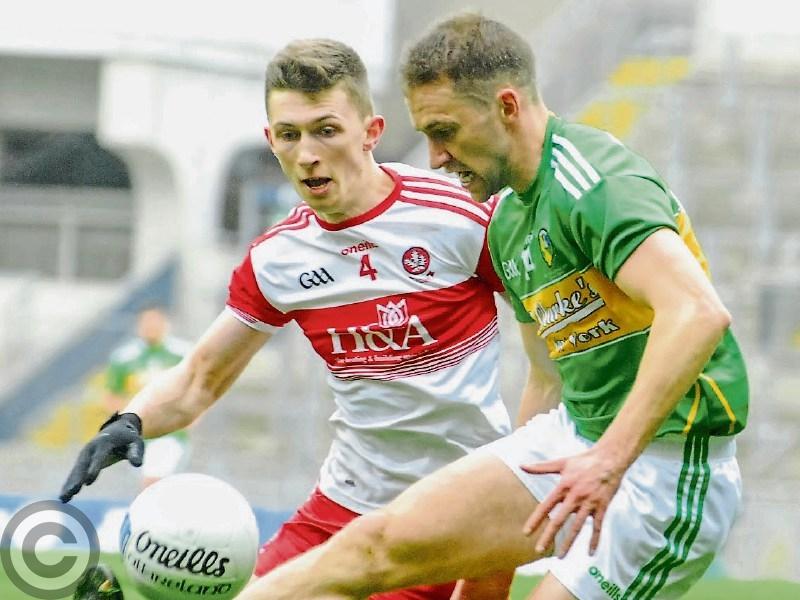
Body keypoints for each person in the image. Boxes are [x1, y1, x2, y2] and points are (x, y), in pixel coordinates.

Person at [235, 14, 749, 600]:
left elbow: (698, 312)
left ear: (506, 106)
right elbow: (548, 375)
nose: (434, 157)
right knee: (369, 546)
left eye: (445, 131)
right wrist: (502, 517)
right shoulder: (507, 220)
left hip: (666, 470)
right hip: (571, 442)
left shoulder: (595, 184)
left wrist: (607, 461)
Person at [60, 38, 517, 599]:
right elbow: (201, 378)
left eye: (326, 130)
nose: (307, 153)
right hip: (343, 506)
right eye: (289, 134)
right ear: (270, 139)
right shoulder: (279, 259)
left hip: (451, 513)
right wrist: (129, 422)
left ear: (371, 132)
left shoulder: (458, 216)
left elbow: (553, 338)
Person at [103, 305, 191, 489]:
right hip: (137, 434)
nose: (151, 326)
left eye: (155, 321)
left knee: (153, 480)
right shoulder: (124, 358)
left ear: (166, 323)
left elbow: (197, 388)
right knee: (154, 485)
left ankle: (149, 516)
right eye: (146, 322)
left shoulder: (182, 354)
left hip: (169, 431)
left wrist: (192, 416)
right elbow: (112, 395)